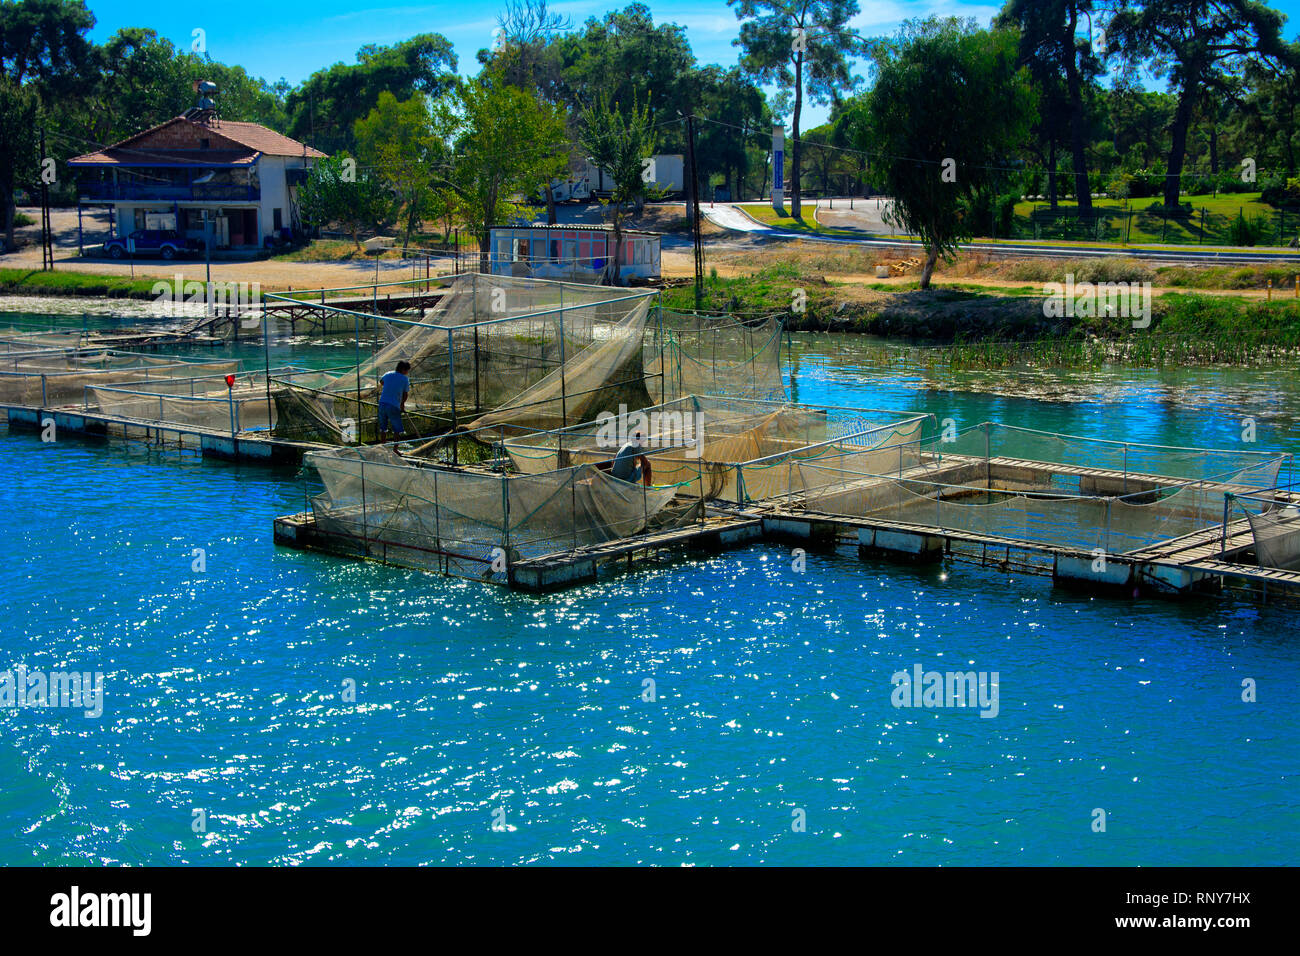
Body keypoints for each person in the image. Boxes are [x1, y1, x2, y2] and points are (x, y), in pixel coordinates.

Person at [377, 360, 411, 443]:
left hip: (382, 403)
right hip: (393, 405)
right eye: (407, 370)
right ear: (403, 369)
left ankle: (383, 445)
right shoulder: (404, 379)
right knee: (397, 429)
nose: (407, 372)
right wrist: (402, 404)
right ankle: (395, 449)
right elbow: (405, 394)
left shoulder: (388, 374)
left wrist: (390, 385)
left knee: (383, 428)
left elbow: (381, 382)